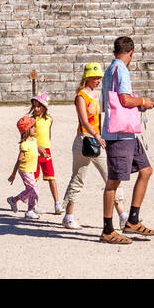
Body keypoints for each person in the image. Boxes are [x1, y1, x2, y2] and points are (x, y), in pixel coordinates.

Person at [99, 36, 154, 244]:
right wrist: (143, 101)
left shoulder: (110, 70)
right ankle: (107, 229)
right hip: (119, 133)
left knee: (146, 170)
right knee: (113, 182)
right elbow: (124, 99)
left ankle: (132, 219)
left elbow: (112, 101)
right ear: (132, 52)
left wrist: (136, 104)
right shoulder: (121, 69)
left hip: (128, 132)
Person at [61, 62, 127, 231]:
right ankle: (68, 216)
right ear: (88, 78)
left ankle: (122, 215)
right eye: (96, 78)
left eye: (100, 78)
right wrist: (97, 135)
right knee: (78, 178)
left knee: (111, 176)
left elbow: (107, 109)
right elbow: (84, 119)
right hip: (85, 139)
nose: (98, 81)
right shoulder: (81, 96)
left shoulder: (97, 95)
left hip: (98, 139)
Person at [28, 93, 63, 215]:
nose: (36, 109)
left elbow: (48, 134)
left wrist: (46, 147)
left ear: (44, 107)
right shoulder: (31, 120)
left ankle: (57, 204)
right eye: (34, 106)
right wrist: (37, 147)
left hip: (46, 152)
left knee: (51, 177)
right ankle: (34, 204)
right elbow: (28, 138)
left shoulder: (50, 119)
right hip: (34, 152)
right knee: (34, 179)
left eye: (39, 106)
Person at [7, 115, 41, 220]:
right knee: (33, 189)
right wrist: (13, 174)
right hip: (25, 170)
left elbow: (35, 151)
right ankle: (29, 211)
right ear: (26, 130)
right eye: (32, 127)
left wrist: (43, 154)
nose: (35, 128)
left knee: (30, 190)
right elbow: (19, 160)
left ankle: (14, 200)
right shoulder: (24, 144)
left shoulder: (34, 140)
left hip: (31, 169)